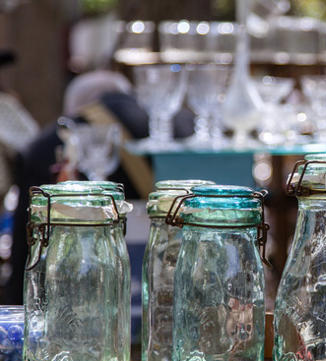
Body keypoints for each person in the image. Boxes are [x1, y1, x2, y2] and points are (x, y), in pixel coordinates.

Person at [4, 70, 194, 304]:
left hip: (83, 291)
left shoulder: (51, 141)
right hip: (175, 288)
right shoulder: (184, 123)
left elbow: (26, 243)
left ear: (73, 108)